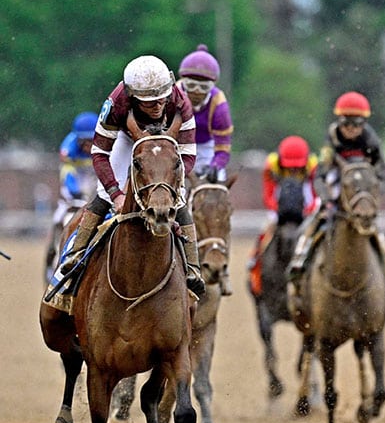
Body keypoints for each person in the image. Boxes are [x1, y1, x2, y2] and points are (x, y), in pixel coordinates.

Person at [57, 55, 205, 297]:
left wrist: (169, 184)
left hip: (167, 145)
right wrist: (116, 194)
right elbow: (99, 153)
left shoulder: (180, 103)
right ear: (132, 97)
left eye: (161, 100)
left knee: (179, 198)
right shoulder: (117, 104)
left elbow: (187, 156)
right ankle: (75, 256)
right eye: (149, 103)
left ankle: (193, 269)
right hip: (127, 139)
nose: (157, 106)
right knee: (103, 193)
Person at [290, 91, 385, 279]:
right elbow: (320, 176)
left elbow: (381, 174)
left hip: (362, 184)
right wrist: (326, 200)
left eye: (356, 124)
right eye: (346, 123)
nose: (351, 129)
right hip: (336, 179)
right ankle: (300, 256)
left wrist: (374, 197)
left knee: (372, 225)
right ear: (339, 121)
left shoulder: (371, 140)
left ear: (364, 124)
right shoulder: (331, 139)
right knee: (315, 219)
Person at [177, 44, 236, 294]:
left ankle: (222, 268)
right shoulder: (173, 96)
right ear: (182, 83)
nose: (197, 93)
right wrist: (187, 173)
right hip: (179, 145)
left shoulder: (219, 104)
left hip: (208, 149)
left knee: (219, 206)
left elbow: (223, 146)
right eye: (192, 86)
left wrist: (216, 166)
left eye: (204, 88)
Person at [247, 136, 320, 297]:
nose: (293, 171)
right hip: (279, 207)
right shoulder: (271, 166)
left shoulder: (312, 167)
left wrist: (308, 211)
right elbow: (269, 194)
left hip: (304, 208)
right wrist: (276, 211)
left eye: (297, 168)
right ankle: (255, 261)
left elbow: (313, 195)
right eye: (290, 167)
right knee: (266, 230)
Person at [45, 111, 99, 278]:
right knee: (57, 218)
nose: (89, 145)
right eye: (85, 141)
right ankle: (50, 258)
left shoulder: (104, 145)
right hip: (75, 182)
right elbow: (68, 173)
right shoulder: (68, 148)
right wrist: (74, 192)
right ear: (78, 139)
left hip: (94, 179)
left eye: (92, 140)